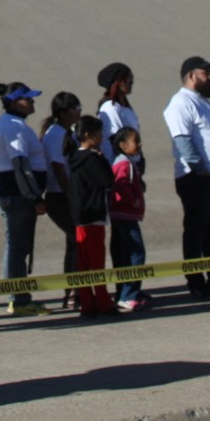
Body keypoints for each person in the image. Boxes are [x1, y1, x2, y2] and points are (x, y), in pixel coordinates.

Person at [166, 56, 210, 298]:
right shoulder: (181, 102)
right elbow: (182, 139)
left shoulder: (202, 102)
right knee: (196, 228)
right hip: (195, 178)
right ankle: (195, 280)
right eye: (205, 73)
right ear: (192, 76)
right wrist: (199, 168)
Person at [0, 82, 48, 315]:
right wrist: (34, 196)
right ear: (14, 102)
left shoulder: (13, 124)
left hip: (16, 194)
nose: (33, 102)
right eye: (28, 98)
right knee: (16, 246)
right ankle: (18, 299)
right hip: (16, 195)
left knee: (19, 246)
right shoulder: (13, 126)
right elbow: (21, 165)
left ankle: (20, 296)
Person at [66, 115, 118, 316]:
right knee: (96, 262)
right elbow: (107, 180)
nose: (102, 137)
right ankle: (104, 302)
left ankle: (87, 303)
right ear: (89, 136)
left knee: (84, 263)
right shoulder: (92, 159)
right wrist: (102, 157)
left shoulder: (74, 159)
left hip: (80, 217)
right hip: (93, 215)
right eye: (99, 133)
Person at [39, 92, 82, 306]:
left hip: (67, 194)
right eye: (76, 108)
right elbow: (57, 166)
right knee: (77, 238)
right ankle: (73, 290)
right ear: (64, 112)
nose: (79, 112)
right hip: (58, 196)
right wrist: (70, 194)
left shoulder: (69, 132)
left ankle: (72, 290)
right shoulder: (55, 133)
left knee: (74, 241)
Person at [109, 127, 148, 312]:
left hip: (123, 215)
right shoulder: (123, 164)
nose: (139, 144)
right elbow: (120, 185)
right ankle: (128, 295)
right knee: (136, 253)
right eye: (136, 140)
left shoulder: (126, 162)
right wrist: (132, 201)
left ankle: (125, 293)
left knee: (127, 253)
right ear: (123, 146)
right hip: (124, 215)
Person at [96, 62, 138, 162]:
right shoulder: (110, 107)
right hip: (119, 167)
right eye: (128, 79)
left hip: (131, 165)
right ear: (118, 83)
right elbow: (117, 140)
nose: (131, 82)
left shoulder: (126, 108)